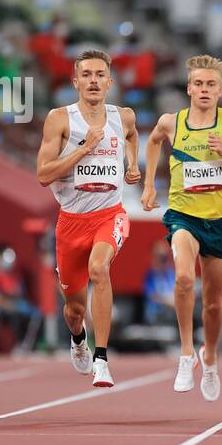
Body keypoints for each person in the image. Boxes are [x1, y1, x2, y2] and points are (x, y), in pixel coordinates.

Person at [141, 54, 222, 400]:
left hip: (219, 220)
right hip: (183, 215)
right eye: (199, 84)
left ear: (221, 90)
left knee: (214, 304)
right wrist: (148, 185)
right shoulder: (171, 122)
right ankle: (186, 353)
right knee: (184, 278)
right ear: (189, 88)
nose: (204, 90)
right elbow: (153, 140)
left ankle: (210, 357)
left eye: (211, 85)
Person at [35, 49, 140, 387]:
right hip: (71, 222)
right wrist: (83, 148)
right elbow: (43, 174)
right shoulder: (60, 119)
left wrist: (133, 164)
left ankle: (102, 358)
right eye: (87, 75)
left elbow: (132, 136)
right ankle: (78, 338)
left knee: (100, 268)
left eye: (100, 75)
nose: (93, 81)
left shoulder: (123, 117)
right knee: (73, 311)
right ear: (75, 81)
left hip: (110, 215)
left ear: (110, 82)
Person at [0, 244, 42, 352]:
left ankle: (29, 345)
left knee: (36, 314)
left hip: (16, 305)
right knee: (16, 316)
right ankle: (18, 344)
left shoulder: (16, 275)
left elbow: (20, 294)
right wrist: (9, 304)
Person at [142, 240, 178, 327]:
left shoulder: (170, 274)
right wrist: (168, 302)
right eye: (160, 258)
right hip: (156, 315)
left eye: (165, 258)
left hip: (171, 314)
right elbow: (152, 296)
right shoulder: (150, 275)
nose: (163, 261)